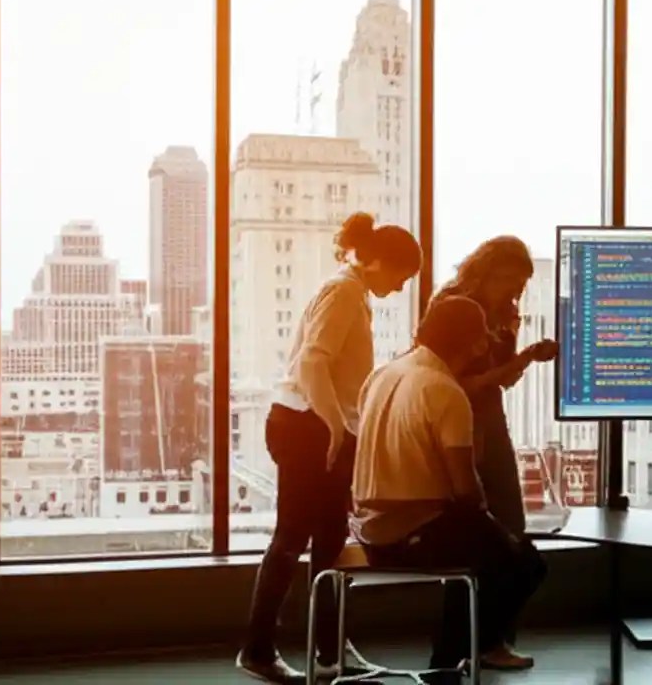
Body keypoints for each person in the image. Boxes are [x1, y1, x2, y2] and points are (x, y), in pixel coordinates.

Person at [237, 213, 422, 684]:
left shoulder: (351, 292)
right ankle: (259, 650)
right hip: (308, 427)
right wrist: (337, 429)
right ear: (379, 261)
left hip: (310, 424)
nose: (401, 288)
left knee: (328, 539)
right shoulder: (343, 292)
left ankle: (328, 649)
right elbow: (313, 363)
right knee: (294, 538)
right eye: (401, 277)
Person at [352, 294, 547, 683]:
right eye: (485, 334)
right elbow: (465, 489)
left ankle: (450, 661)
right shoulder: (444, 390)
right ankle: (449, 662)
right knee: (525, 563)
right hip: (412, 532)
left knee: (480, 548)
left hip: (366, 527)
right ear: (474, 343)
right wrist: (492, 520)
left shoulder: (385, 373)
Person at [429, 235, 557, 670]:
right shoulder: (453, 306)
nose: (516, 293)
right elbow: (455, 381)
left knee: (510, 529)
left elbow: (500, 381)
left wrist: (521, 358)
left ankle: (490, 638)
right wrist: (519, 360)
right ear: (489, 271)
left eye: (522, 285)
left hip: (489, 425)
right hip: (457, 425)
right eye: (512, 282)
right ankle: (469, 645)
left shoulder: (505, 313)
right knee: (477, 534)